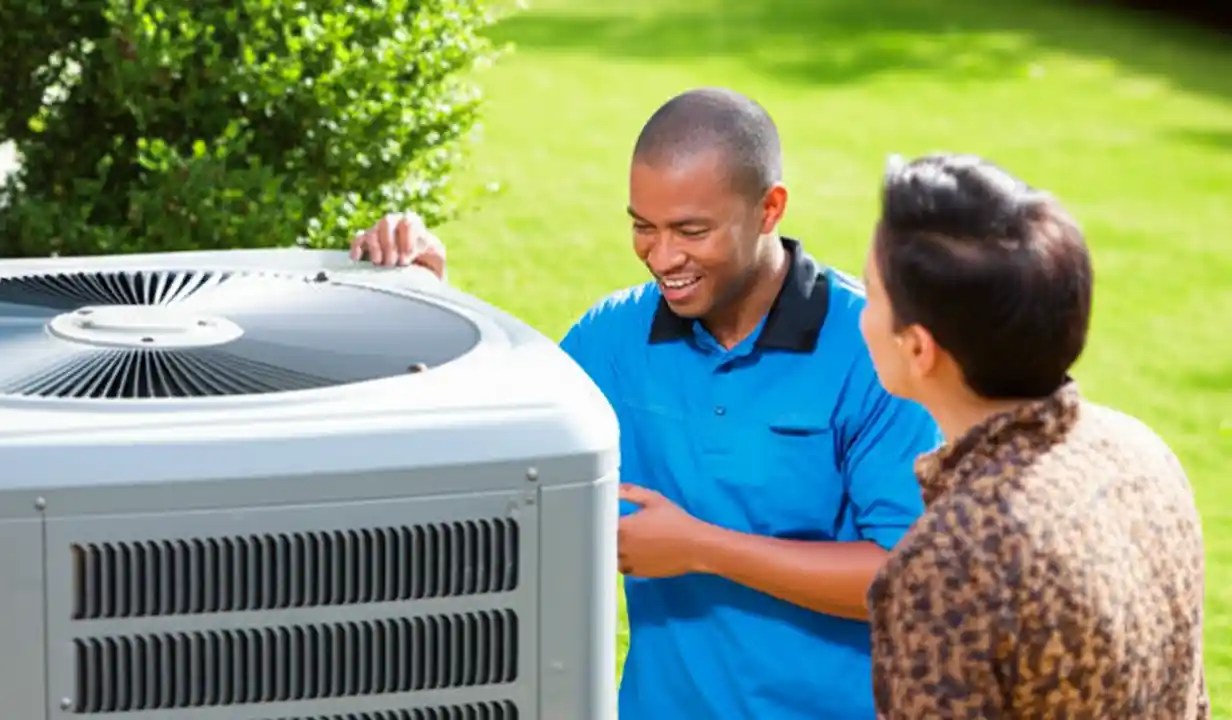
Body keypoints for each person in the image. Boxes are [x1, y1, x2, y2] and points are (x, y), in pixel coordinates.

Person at [351, 87, 942, 719]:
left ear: (768, 209)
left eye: (692, 230)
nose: (663, 258)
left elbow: (908, 583)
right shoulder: (613, 338)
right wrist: (431, 299)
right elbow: (506, 442)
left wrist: (701, 548)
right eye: (643, 227)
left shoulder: (868, 350)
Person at [857, 153, 1209, 719]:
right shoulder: (1143, 453)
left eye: (872, 293)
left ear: (919, 349)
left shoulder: (950, 564)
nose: (861, 313)